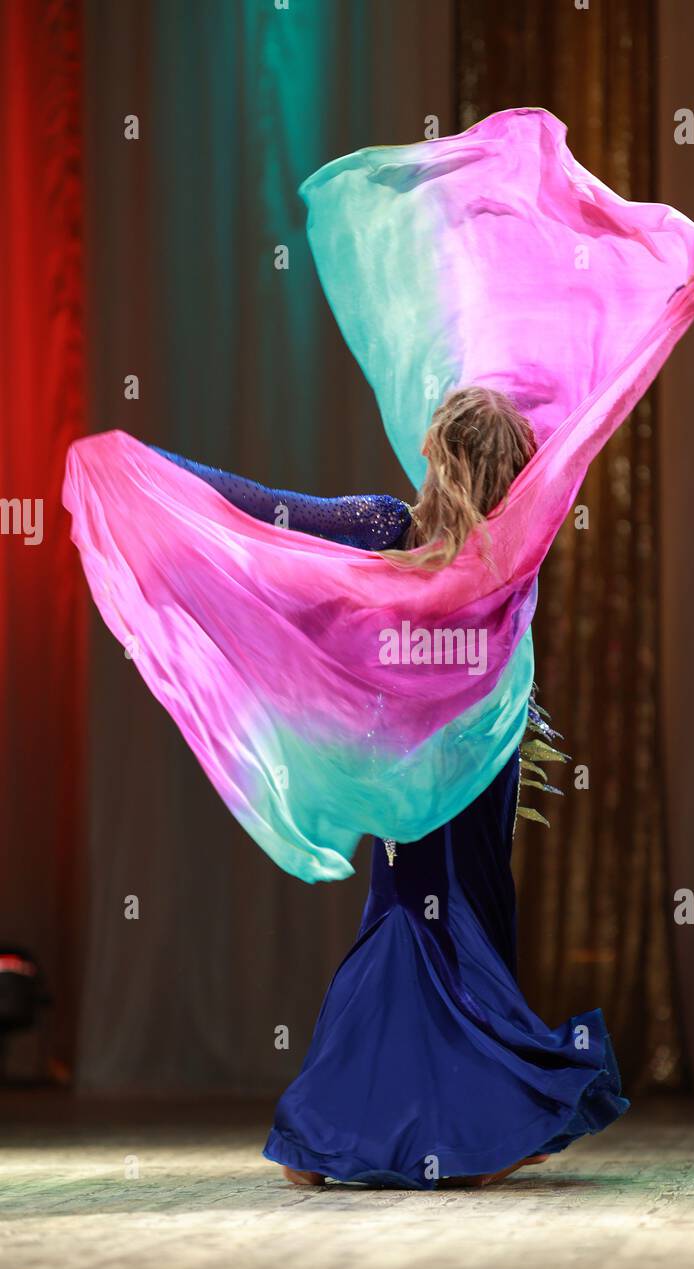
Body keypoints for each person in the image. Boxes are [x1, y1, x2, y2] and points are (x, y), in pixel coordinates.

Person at [153, 385, 629, 1190]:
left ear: (438, 458)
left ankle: (369, 1128)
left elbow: (268, 508)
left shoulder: (392, 528)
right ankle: (465, 1123)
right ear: (514, 472)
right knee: (450, 920)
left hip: (421, 769)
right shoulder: (515, 547)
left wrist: (159, 467)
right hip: (471, 767)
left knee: (419, 918)